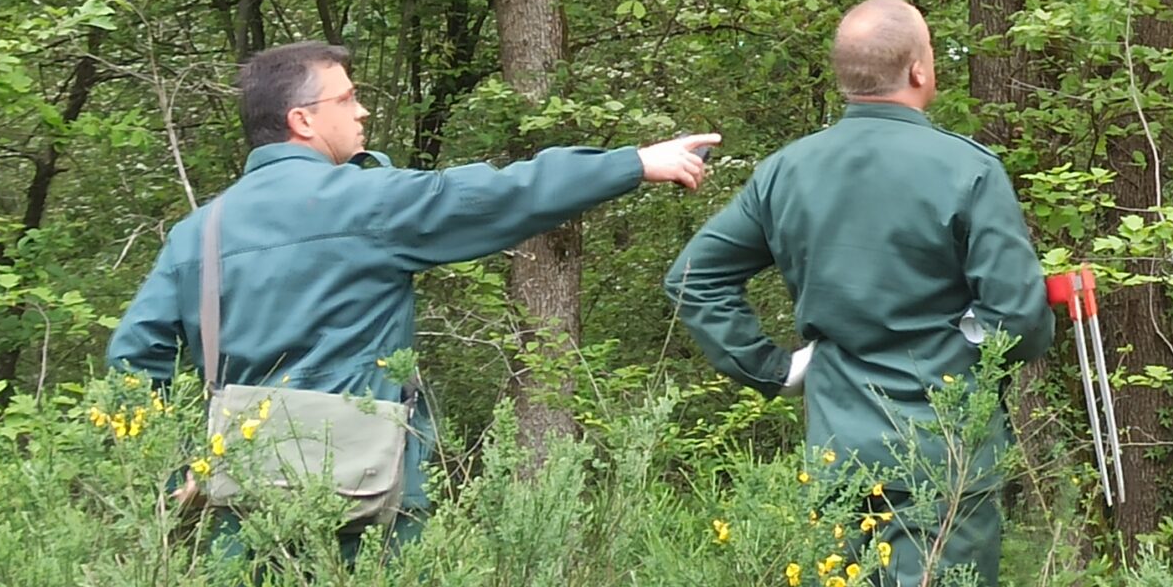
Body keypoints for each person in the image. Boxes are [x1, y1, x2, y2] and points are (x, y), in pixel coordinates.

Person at [107, 40, 718, 543]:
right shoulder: (366, 199)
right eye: (347, 98)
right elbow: (503, 194)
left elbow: (132, 361)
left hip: (241, 509)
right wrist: (633, 163)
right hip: (364, 506)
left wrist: (171, 475)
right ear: (302, 120)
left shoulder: (197, 234)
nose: (362, 112)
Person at [664, 0, 1054, 587]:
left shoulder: (785, 171)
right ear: (921, 70)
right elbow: (1021, 322)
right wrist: (975, 342)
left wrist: (776, 368)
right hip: (945, 457)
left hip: (839, 453)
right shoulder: (969, 169)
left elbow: (693, 279)